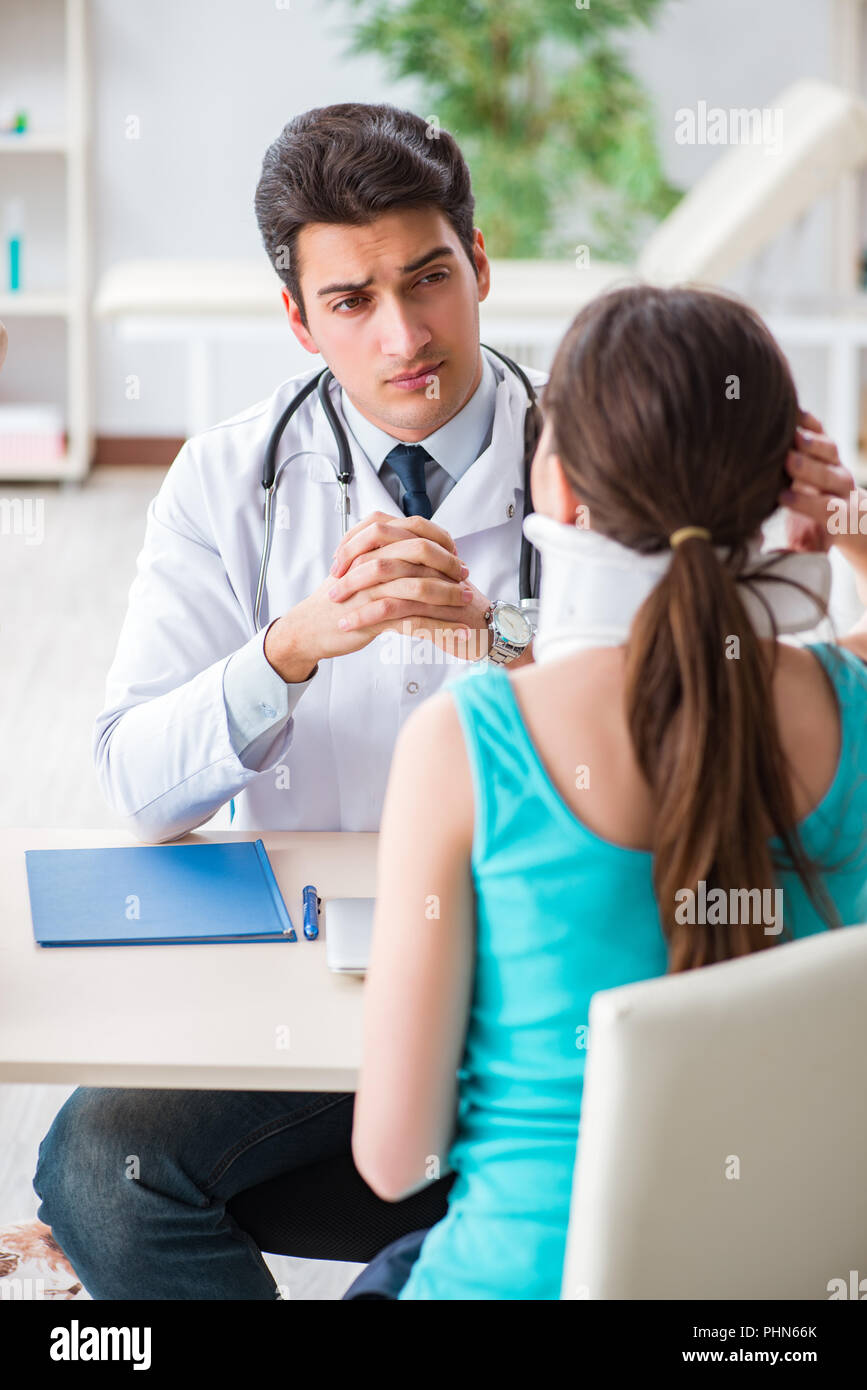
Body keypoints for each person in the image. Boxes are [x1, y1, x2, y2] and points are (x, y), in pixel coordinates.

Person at [33, 103, 545, 1299]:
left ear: (479, 264)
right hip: (301, 1008)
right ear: (301, 319)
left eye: (429, 277)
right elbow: (135, 776)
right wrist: (288, 648)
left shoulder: (595, 449)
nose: (406, 333)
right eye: (353, 301)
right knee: (100, 1170)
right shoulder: (229, 478)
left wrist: (503, 635)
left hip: (534, 980)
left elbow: (685, 703)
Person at [347, 283, 867, 1300]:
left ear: (564, 489)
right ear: (783, 483)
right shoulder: (853, 709)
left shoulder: (466, 744)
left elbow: (394, 1161)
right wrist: (851, 532)